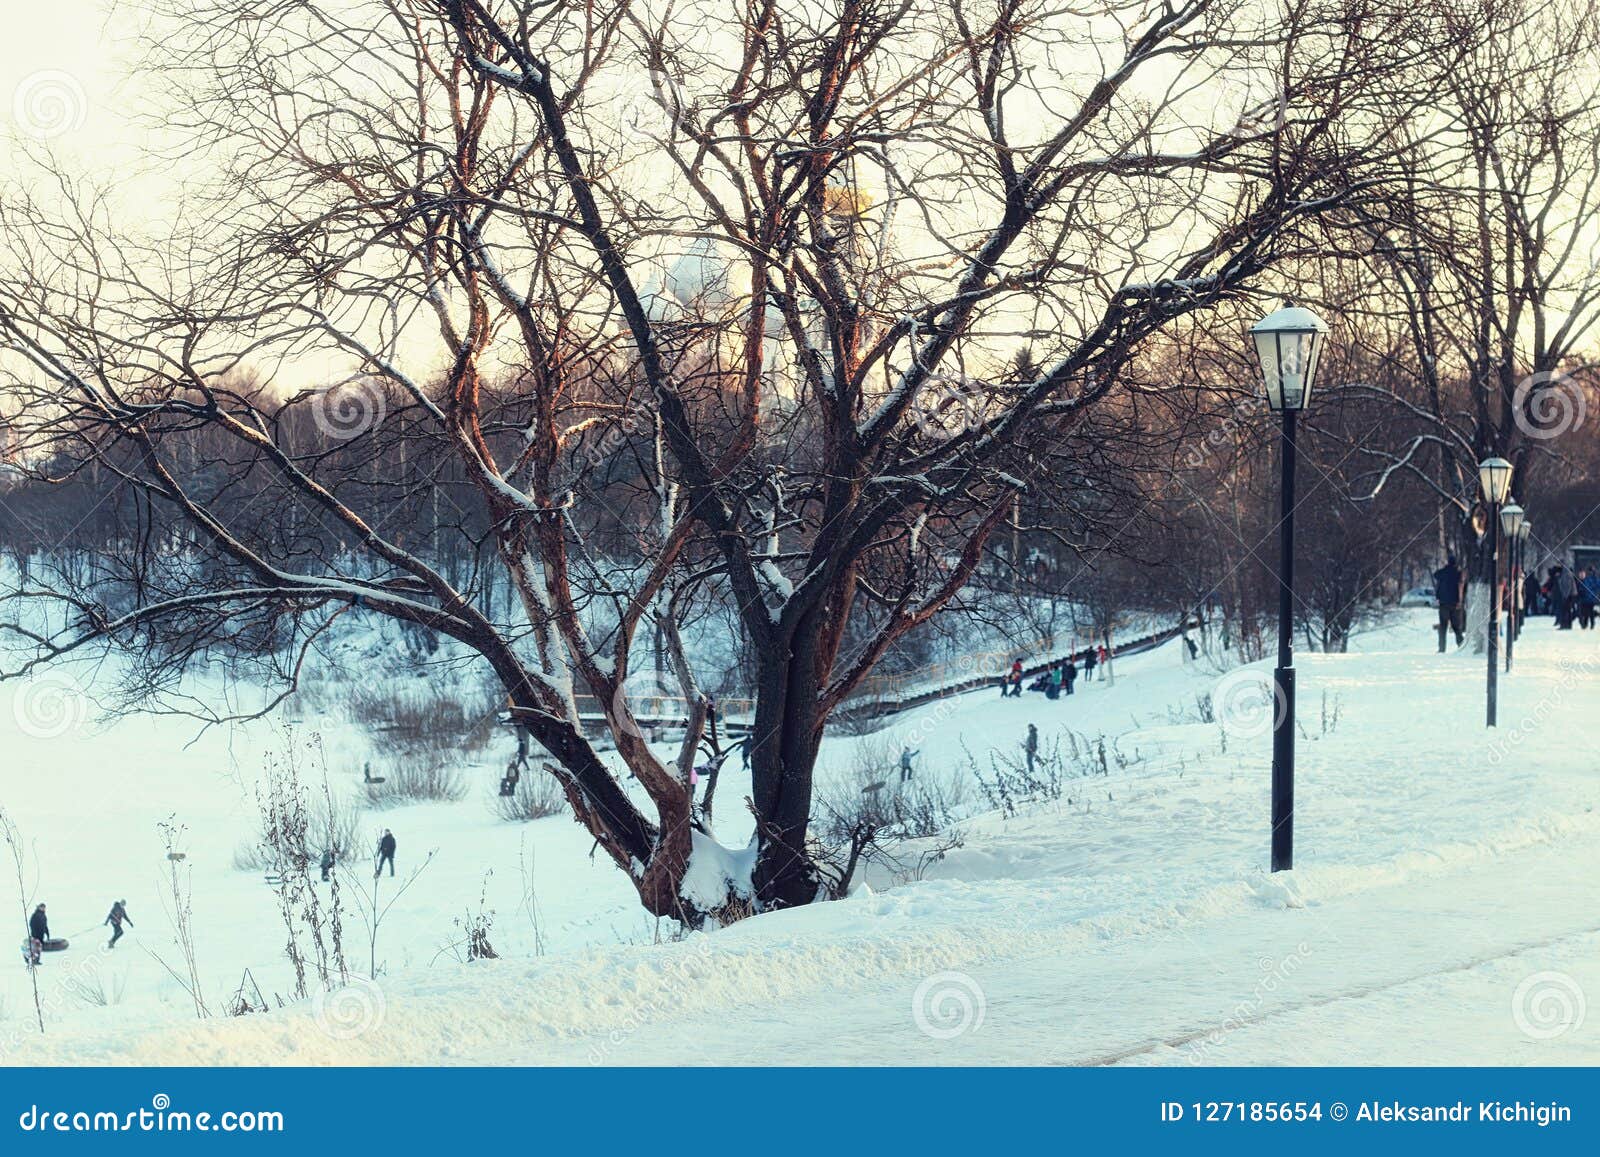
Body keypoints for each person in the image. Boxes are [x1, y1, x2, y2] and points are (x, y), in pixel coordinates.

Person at [1433, 555, 1465, 650]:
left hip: (1443, 603)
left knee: (1443, 627)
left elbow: (1436, 575)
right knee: (1456, 628)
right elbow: (1462, 583)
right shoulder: (1458, 573)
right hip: (1455, 604)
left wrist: (1445, 567)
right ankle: (1461, 646)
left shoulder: (1443, 572)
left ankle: (1442, 648)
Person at [1554, 565, 1578, 629]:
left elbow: (1568, 587)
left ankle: (1566, 625)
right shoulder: (1563, 575)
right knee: (1566, 610)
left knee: (1566, 610)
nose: (1556, 574)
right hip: (1568, 595)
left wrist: (1565, 596)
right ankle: (1566, 625)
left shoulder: (1566, 575)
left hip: (1569, 595)